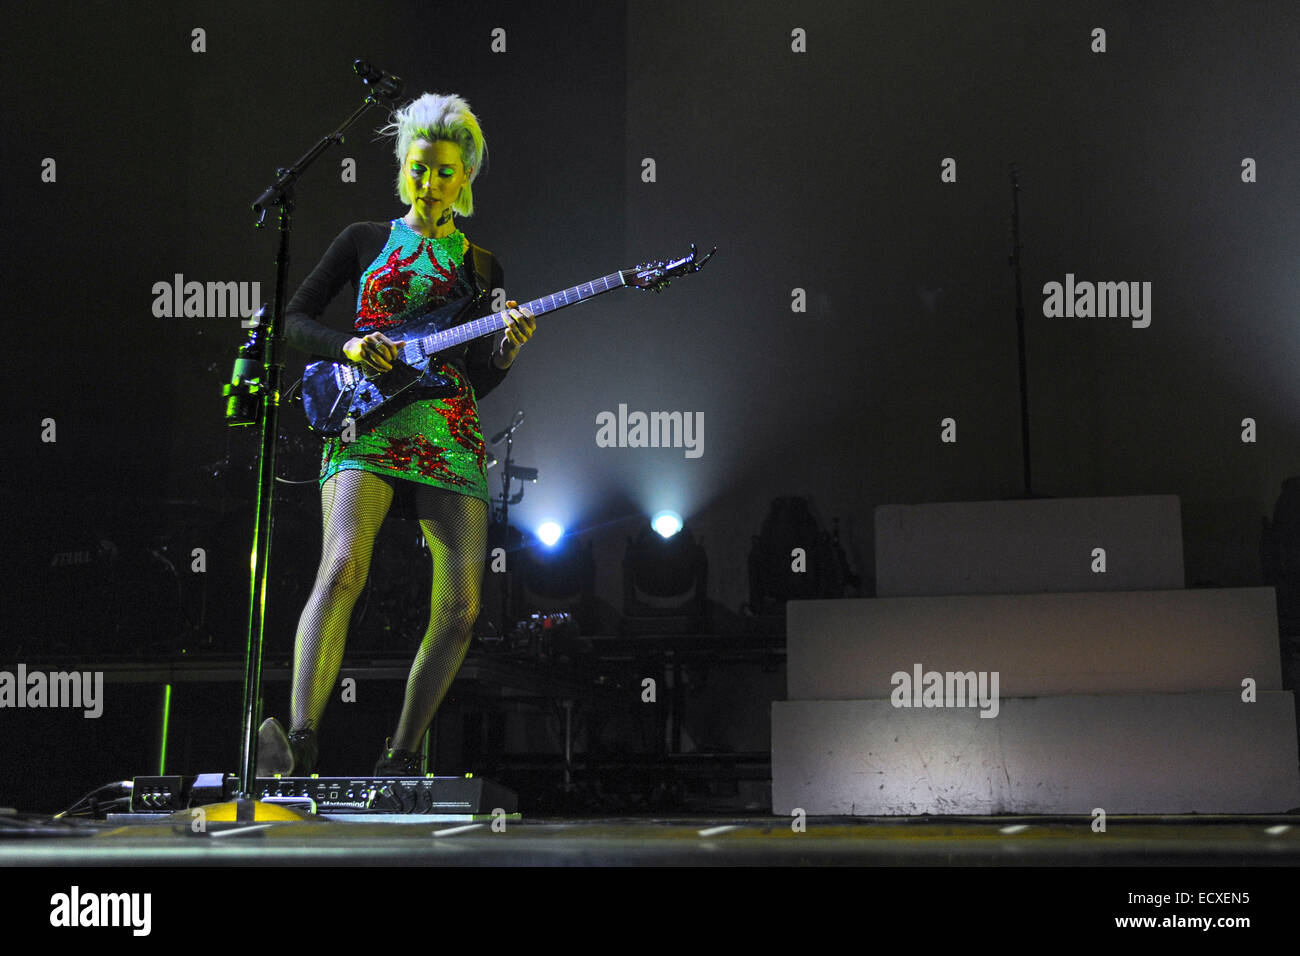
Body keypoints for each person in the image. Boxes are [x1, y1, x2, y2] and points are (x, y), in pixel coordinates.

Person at [256, 92, 536, 777]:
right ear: (402, 169)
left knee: (463, 608)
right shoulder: (364, 239)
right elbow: (291, 320)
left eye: (444, 171)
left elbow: (471, 376)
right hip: (364, 425)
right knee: (343, 566)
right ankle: (297, 742)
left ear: (464, 176)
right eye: (418, 168)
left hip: (447, 434)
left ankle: (402, 757)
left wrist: (505, 353)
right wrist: (351, 347)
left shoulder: (483, 267)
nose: (430, 183)